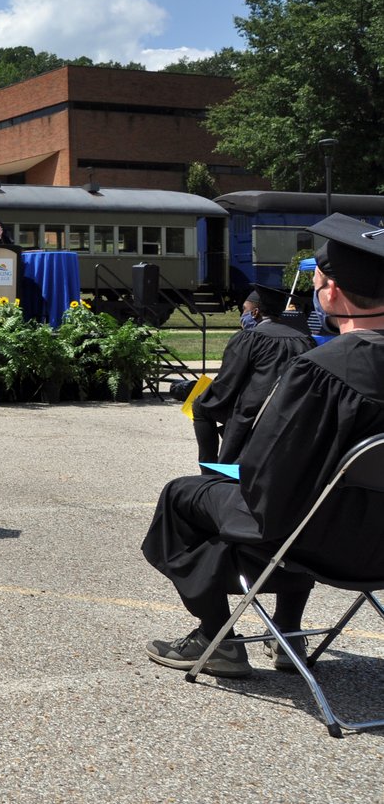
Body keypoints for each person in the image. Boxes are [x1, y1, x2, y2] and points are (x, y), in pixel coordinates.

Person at [142, 214, 384, 678]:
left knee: (184, 497)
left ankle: (219, 638)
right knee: (307, 506)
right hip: (379, 546)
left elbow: (266, 481)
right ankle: (288, 631)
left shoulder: (324, 370)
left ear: (331, 292)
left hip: (318, 539)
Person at [190, 284, 314, 466]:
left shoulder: (249, 337)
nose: (243, 315)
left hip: (253, 412)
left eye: (244, 310)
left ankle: (209, 471)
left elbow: (227, 382)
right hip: (293, 409)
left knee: (199, 406)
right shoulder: (305, 339)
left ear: (255, 313)